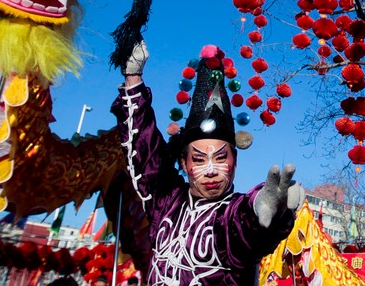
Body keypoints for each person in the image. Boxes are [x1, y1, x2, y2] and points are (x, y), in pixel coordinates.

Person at [112, 41, 303, 286]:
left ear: (235, 161)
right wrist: (133, 78)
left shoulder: (228, 216)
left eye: (221, 158)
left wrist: (263, 210)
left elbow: (243, 225)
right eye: (199, 159)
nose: (211, 170)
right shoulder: (167, 202)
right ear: (184, 163)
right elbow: (145, 151)